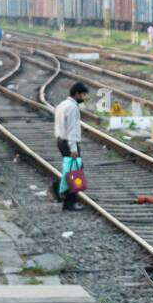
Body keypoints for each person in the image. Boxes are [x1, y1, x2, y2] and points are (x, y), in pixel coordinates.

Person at [53, 81, 89, 212]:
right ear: (77, 94)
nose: (83, 98)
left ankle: (57, 189)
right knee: (75, 173)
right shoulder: (73, 108)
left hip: (61, 140)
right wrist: (74, 149)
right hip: (69, 142)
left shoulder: (62, 105)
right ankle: (69, 203)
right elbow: (72, 129)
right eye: (83, 95)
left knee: (71, 171)